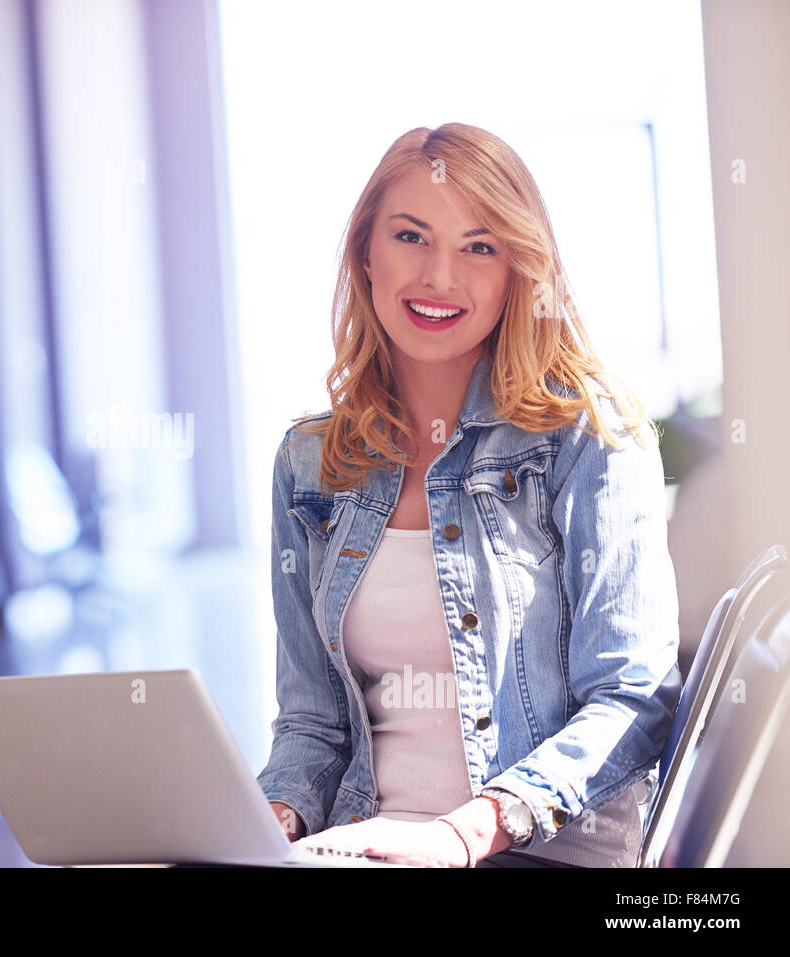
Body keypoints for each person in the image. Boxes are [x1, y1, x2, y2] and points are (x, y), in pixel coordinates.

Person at [256, 123, 681, 867]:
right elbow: (313, 724)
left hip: (536, 851)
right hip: (360, 846)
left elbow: (631, 699)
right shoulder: (311, 464)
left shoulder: (589, 438)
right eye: (411, 236)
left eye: (479, 247)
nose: (440, 277)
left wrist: (460, 833)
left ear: (520, 269)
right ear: (365, 251)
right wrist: (277, 812)